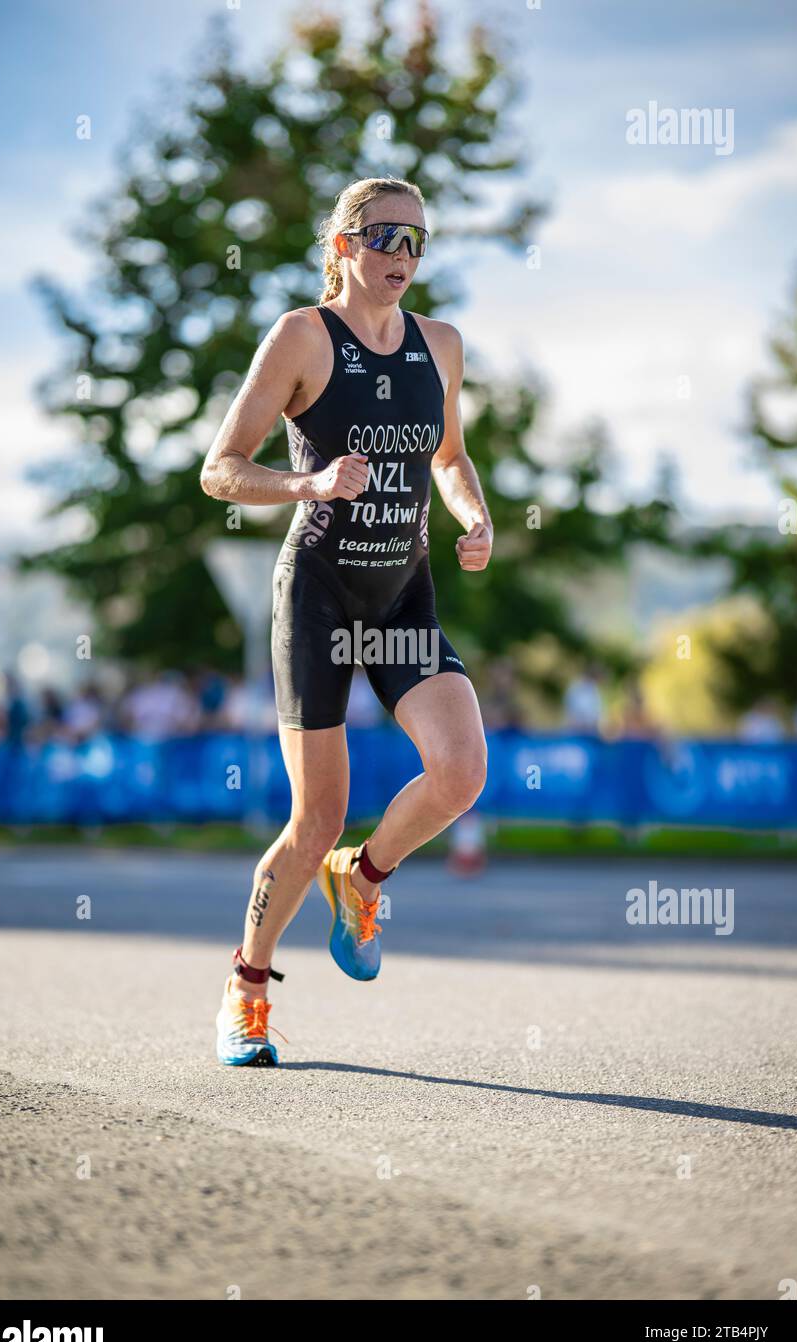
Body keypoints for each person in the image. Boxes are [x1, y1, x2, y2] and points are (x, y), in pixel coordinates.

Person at [201, 176, 492, 1066]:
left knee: (461, 773)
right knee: (315, 816)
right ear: (342, 246)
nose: (401, 257)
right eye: (383, 237)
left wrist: (472, 514)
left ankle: (363, 881)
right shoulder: (300, 336)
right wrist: (310, 483)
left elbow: (450, 456)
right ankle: (245, 991)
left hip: (401, 595)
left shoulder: (439, 345)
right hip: (321, 595)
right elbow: (221, 469)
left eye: (417, 241)